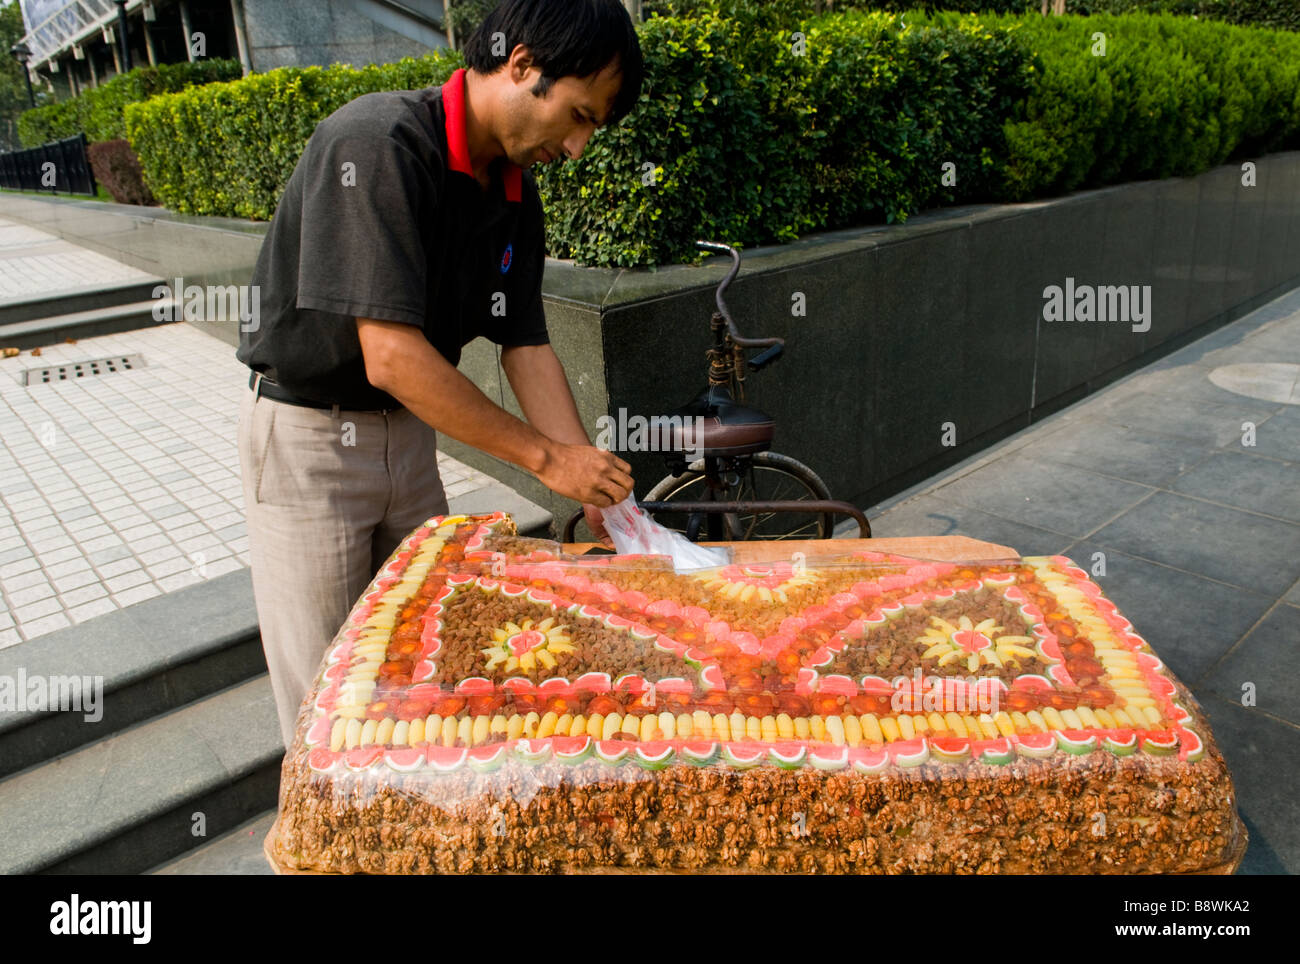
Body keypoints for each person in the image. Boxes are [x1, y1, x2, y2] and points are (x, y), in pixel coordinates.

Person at [236, 0, 642, 745]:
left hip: (410, 444)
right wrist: (549, 460)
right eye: (579, 116)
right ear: (522, 65)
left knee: (425, 667)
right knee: (328, 705)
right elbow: (389, 354)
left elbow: (526, 344)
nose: (579, 146)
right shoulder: (378, 145)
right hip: (310, 447)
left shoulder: (514, 189)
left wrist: (592, 497)